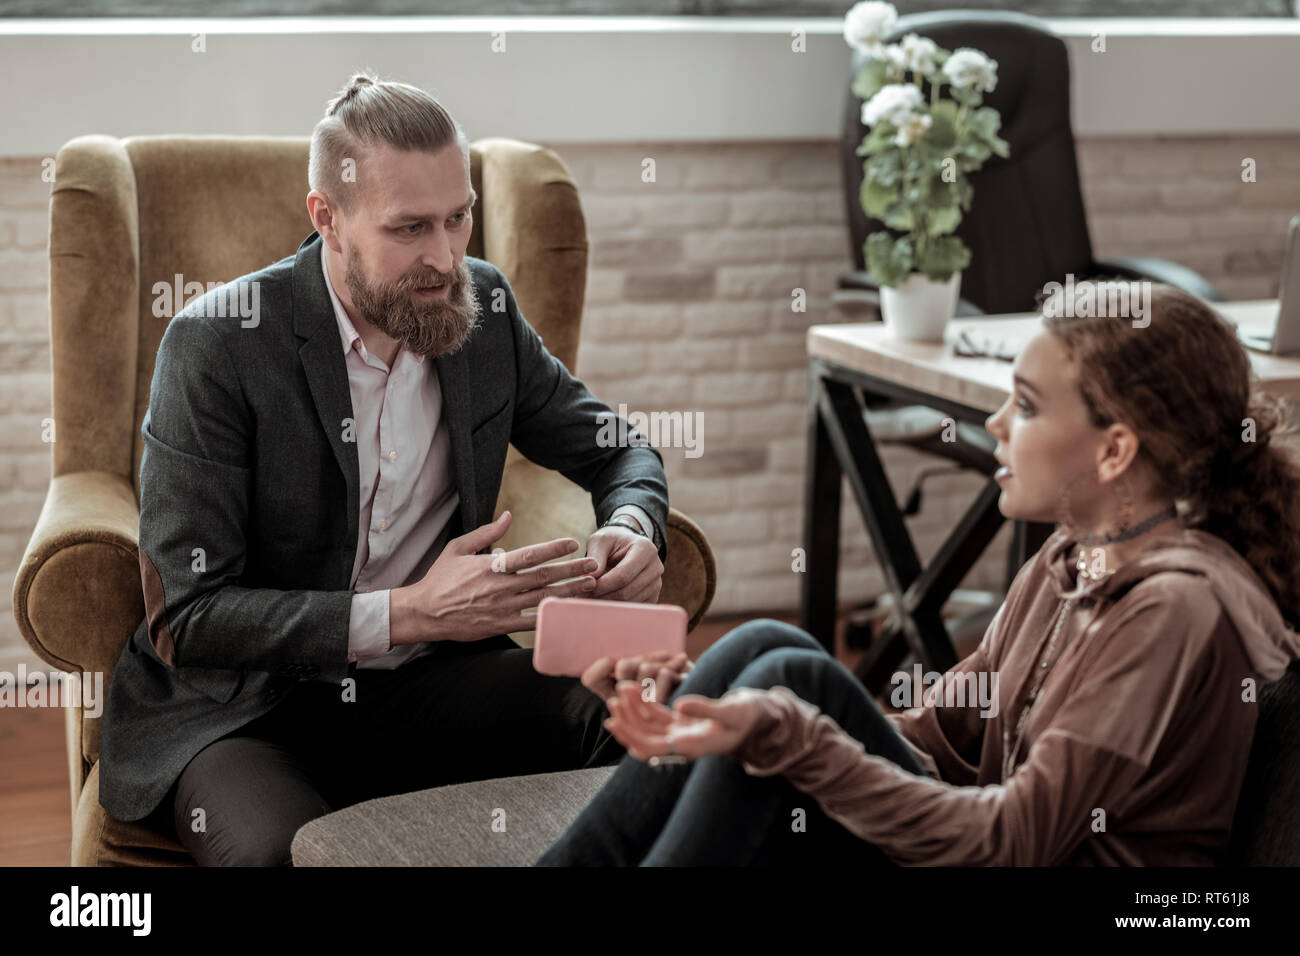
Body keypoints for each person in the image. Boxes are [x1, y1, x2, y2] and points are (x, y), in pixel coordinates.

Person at [98, 71, 668, 865]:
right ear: (326, 219)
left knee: (643, 716)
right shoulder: (217, 346)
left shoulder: (484, 312)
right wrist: (408, 612)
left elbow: (618, 446)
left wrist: (633, 525)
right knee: (281, 858)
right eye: (409, 229)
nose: (444, 258)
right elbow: (189, 618)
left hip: (427, 689)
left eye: (458, 218)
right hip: (248, 712)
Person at [536, 283, 1300, 866]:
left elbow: (1014, 841)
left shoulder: (1171, 612)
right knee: (769, 658)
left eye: (1026, 407)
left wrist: (792, 737)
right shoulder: (1070, 554)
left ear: (1115, 452)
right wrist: (720, 707)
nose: (996, 424)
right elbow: (941, 737)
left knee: (786, 707)